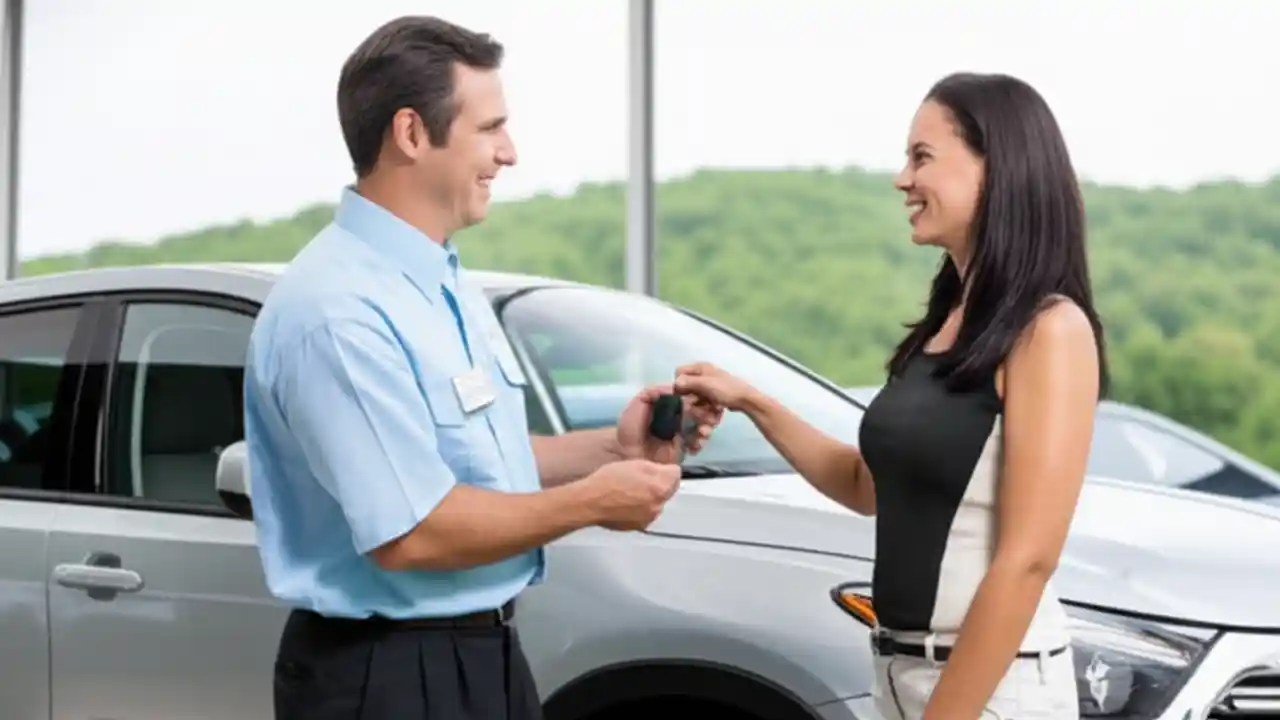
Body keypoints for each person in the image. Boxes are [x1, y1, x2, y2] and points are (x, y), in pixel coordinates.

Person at [243, 15, 721, 720]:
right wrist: (594, 502)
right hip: (388, 678)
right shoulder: (336, 313)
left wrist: (610, 451)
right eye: (490, 127)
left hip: (484, 657)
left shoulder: (442, 284)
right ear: (411, 134)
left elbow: (465, 467)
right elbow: (413, 531)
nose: (510, 153)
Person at [673, 72, 1106, 720]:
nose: (902, 179)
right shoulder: (946, 326)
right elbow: (864, 485)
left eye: (921, 157)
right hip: (900, 677)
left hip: (993, 693)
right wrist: (751, 401)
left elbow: (1026, 562)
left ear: (996, 168)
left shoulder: (1049, 330)